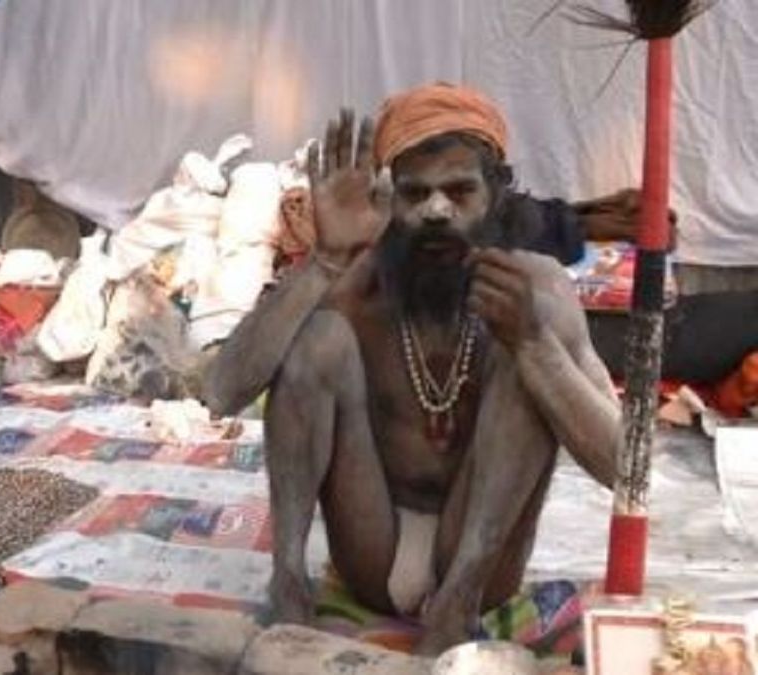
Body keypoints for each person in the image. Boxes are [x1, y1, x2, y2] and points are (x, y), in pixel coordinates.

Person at [203, 83, 622, 655]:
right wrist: (324, 261)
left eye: (459, 191)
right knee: (318, 338)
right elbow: (222, 393)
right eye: (415, 193)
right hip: (370, 545)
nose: (436, 212)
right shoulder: (354, 283)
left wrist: (536, 347)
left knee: (528, 351)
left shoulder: (540, 285)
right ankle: (290, 577)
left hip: (478, 565)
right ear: (387, 202)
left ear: (496, 196)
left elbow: (626, 469)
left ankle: (456, 601)